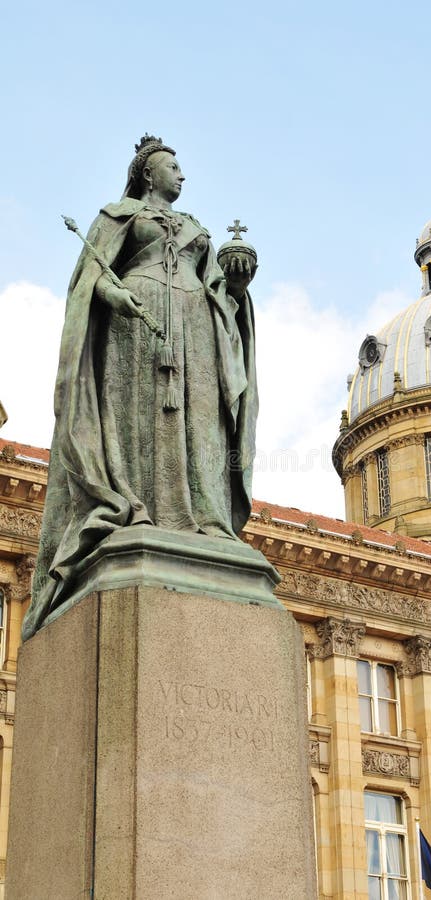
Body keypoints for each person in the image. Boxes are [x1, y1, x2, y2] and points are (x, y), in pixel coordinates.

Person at [23, 135, 258, 640]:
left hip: (196, 328)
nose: (182, 175)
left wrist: (238, 281)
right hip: (137, 324)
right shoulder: (118, 216)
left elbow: (222, 291)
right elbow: (90, 278)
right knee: (140, 421)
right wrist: (116, 294)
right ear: (149, 174)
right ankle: (138, 506)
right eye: (173, 166)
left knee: (202, 421)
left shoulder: (197, 228)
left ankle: (205, 518)